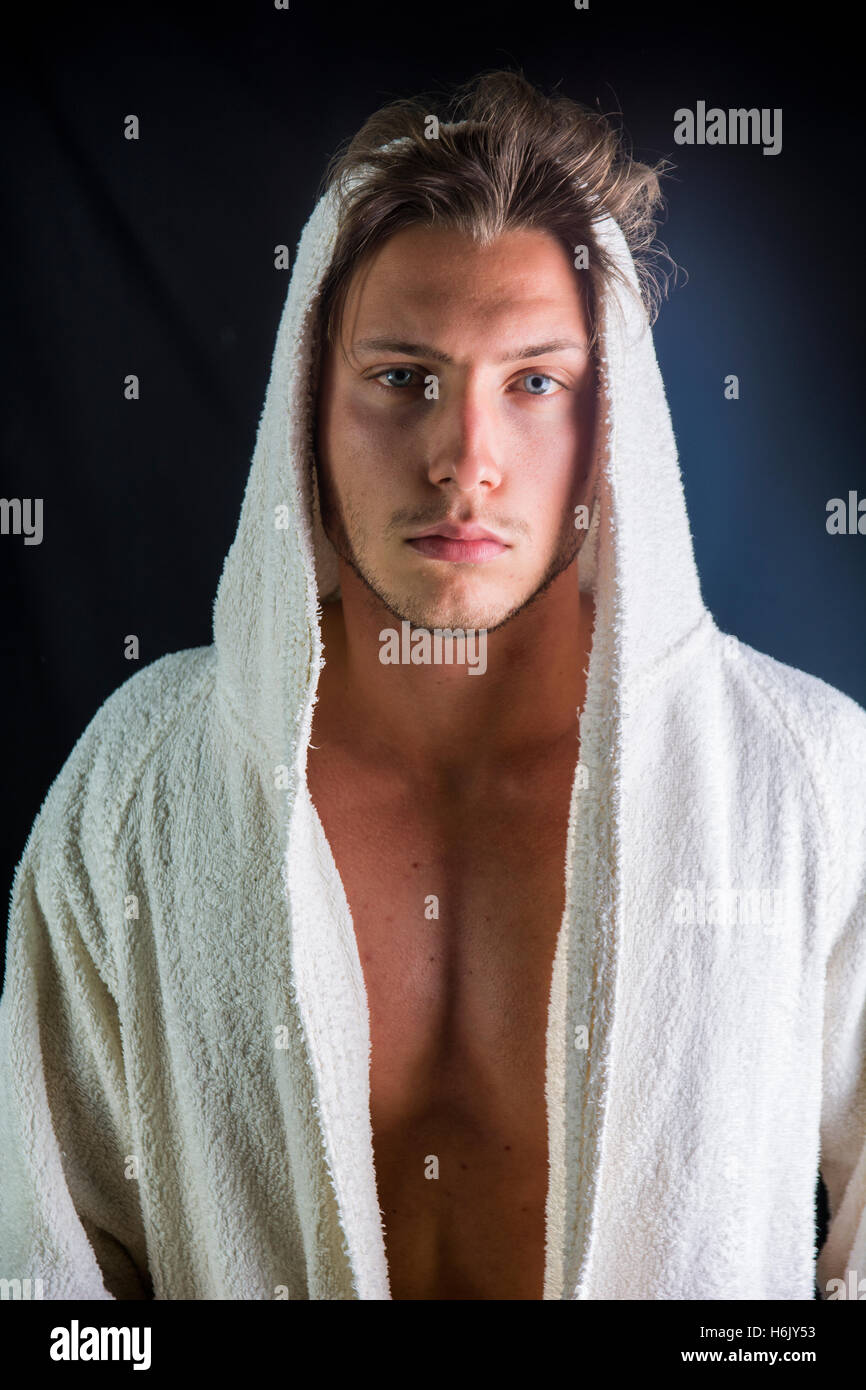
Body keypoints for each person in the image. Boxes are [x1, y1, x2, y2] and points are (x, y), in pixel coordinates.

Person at [1, 70, 864, 1301]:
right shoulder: (140, 784)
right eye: (403, 376)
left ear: (609, 415)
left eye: (532, 382)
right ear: (308, 404)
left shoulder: (807, 781)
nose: (466, 460)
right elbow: (44, 1285)